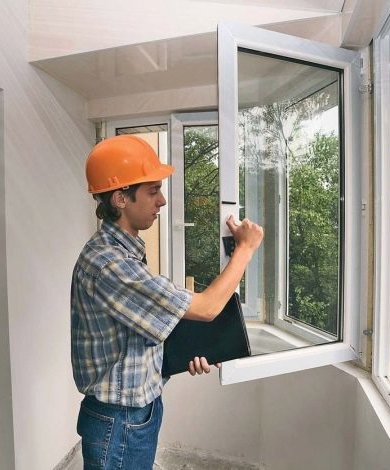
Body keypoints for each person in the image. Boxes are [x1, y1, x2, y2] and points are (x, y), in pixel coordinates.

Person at [71, 135, 263, 469]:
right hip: (120, 421)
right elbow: (207, 308)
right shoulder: (110, 264)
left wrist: (188, 352)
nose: (161, 201)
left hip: (137, 411)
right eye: (152, 191)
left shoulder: (125, 252)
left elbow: (135, 330)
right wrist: (244, 249)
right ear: (120, 198)